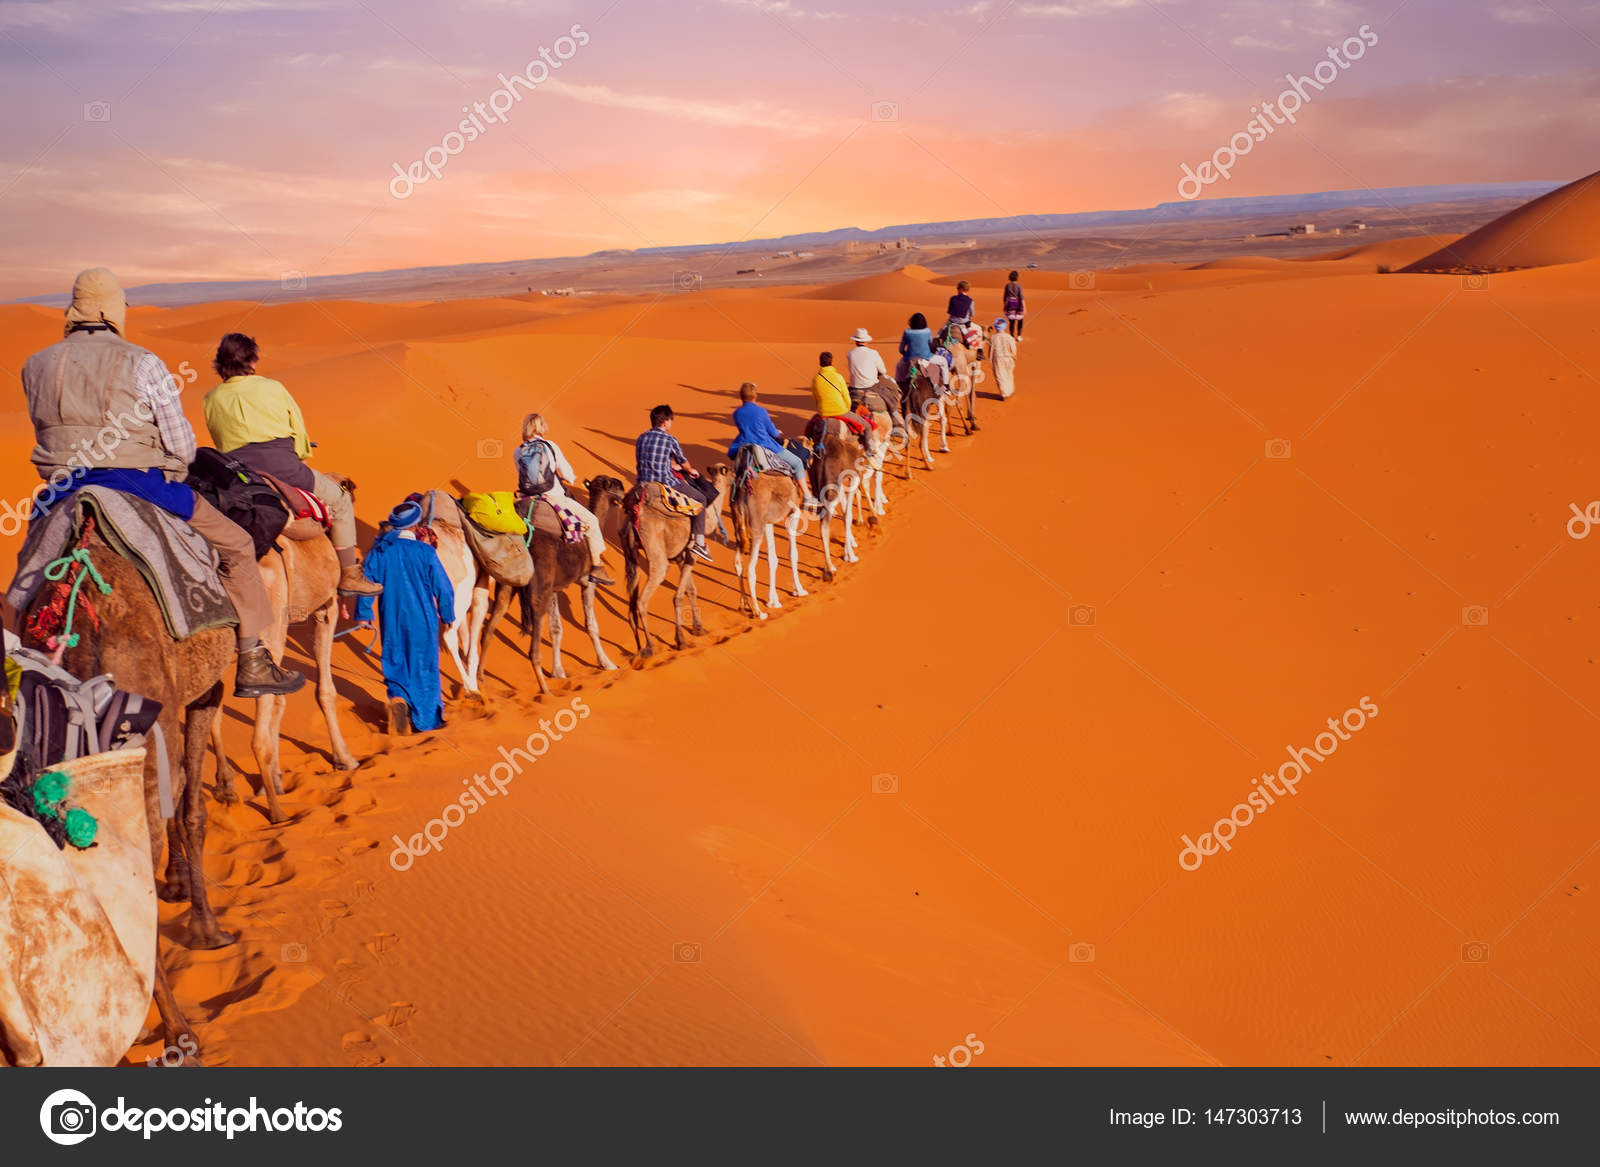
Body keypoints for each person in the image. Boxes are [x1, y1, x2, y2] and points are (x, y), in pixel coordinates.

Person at [20, 268, 304, 698]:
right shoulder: (143, 363)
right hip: (141, 487)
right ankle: (252, 659)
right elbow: (182, 445)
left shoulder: (34, 365)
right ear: (115, 311)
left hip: (61, 493)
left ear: (73, 309)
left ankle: (14, 672)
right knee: (238, 546)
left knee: (22, 587)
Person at [202, 333, 381, 596]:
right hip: (285, 469)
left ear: (220, 364)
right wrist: (299, 457)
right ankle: (349, 574)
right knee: (341, 500)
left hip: (241, 477)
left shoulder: (210, 398)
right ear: (252, 360)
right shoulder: (273, 387)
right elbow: (299, 437)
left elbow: (220, 441)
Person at [353, 500, 456, 735]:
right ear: (416, 525)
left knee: (395, 660)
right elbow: (444, 587)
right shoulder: (426, 552)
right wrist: (448, 614)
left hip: (391, 617)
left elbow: (367, 583)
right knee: (425, 665)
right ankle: (427, 721)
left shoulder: (379, 551)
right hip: (423, 619)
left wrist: (364, 614)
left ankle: (399, 698)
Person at [514, 412, 613, 585]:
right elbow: (566, 472)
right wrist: (571, 478)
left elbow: (522, 474)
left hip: (527, 499)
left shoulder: (518, 451)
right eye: (544, 424)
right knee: (592, 521)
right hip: (553, 497)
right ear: (540, 427)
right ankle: (597, 566)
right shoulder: (550, 445)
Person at [635, 404, 716, 562]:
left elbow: (643, 461)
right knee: (701, 499)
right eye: (670, 420)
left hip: (642, 484)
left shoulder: (641, 438)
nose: (671, 424)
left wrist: (670, 465)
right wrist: (690, 469)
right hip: (665, 483)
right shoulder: (670, 440)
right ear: (665, 422)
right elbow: (683, 462)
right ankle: (699, 543)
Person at [727, 382, 819, 508]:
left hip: (744, 444)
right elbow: (772, 432)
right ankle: (807, 496)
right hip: (766, 445)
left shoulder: (737, 413)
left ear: (741, 396)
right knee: (797, 462)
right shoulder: (761, 411)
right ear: (755, 396)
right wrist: (777, 432)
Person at [897, 312, 934, 381]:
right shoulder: (928, 331)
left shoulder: (907, 332)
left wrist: (907, 355)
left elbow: (901, 349)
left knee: (898, 366)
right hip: (926, 357)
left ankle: (898, 386)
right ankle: (945, 386)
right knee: (943, 362)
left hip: (910, 359)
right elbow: (931, 345)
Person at [989, 316, 1017, 400]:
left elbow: (991, 350)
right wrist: (1014, 357)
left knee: (1000, 376)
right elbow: (1013, 348)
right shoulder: (1010, 337)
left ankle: (1004, 393)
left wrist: (990, 360)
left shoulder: (993, 338)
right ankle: (1010, 391)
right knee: (1009, 374)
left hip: (998, 358)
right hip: (1009, 358)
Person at [1003, 270, 1026, 340]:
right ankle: (1019, 335)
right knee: (1020, 321)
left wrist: (1005, 306)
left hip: (1010, 305)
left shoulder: (1007, 286)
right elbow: (1021, 297)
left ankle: (1012, 336)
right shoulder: (1019, 286)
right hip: (1018, 305)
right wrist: (1024, 308)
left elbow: (1005, 297)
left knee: (1011, 322)